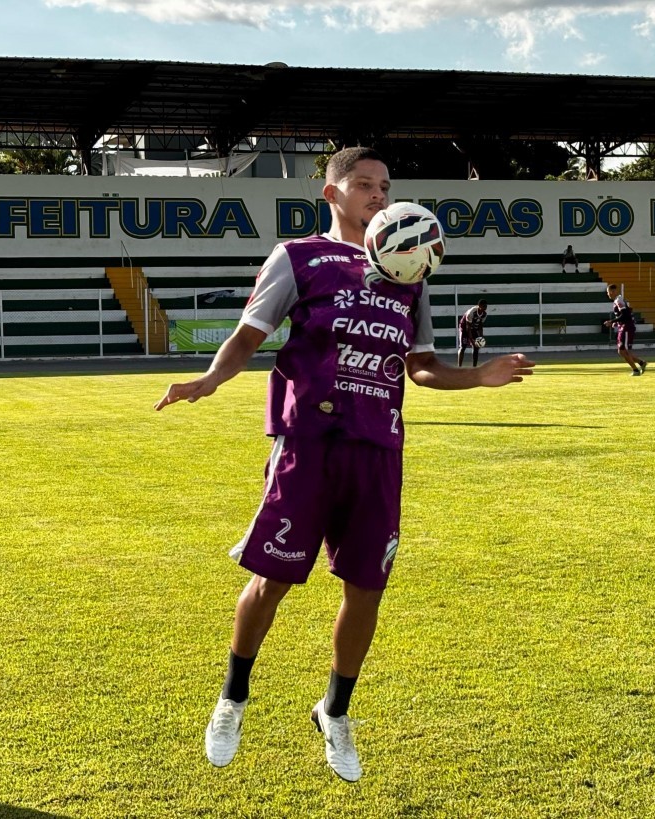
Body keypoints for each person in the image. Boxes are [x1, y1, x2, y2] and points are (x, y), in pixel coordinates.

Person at [154, 147, 535, 783]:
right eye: (364, 185)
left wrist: (480, 378)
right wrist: (211, 379)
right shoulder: (299, 258)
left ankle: (335, 711)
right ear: (331, 194)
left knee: (367, 588)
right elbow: (250, 334)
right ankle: (233, 697)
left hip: (378, 449)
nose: (378, 195)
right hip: (308, 443)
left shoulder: (411, 274)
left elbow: (422, 367)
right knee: (271, 581)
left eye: (385, 186)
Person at [604, 283, 647, 375]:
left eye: (608, 292)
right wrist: (616, 322)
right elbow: (623, 315)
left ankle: (636, 370)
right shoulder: (617, 300)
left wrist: (612, 321)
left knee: (624, 351)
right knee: (621, 351)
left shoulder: (619, 300)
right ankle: (641, 363)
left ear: (613, 291)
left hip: (627, 327)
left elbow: (625, 315)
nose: (608, 294)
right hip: (623, 327)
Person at [456, 299, 488, 367]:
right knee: (463, 347)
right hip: (464, 328)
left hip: (474, 328)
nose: (485, 308)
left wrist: (481, 337)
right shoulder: (471, 312)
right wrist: (471, 340)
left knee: (476, 347)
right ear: (479, 306)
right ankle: (459, 367)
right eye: (483, 306)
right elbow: (468, 328)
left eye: (486, 306)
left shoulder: (484, 314)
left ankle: (474, 367)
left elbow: (480, 326)